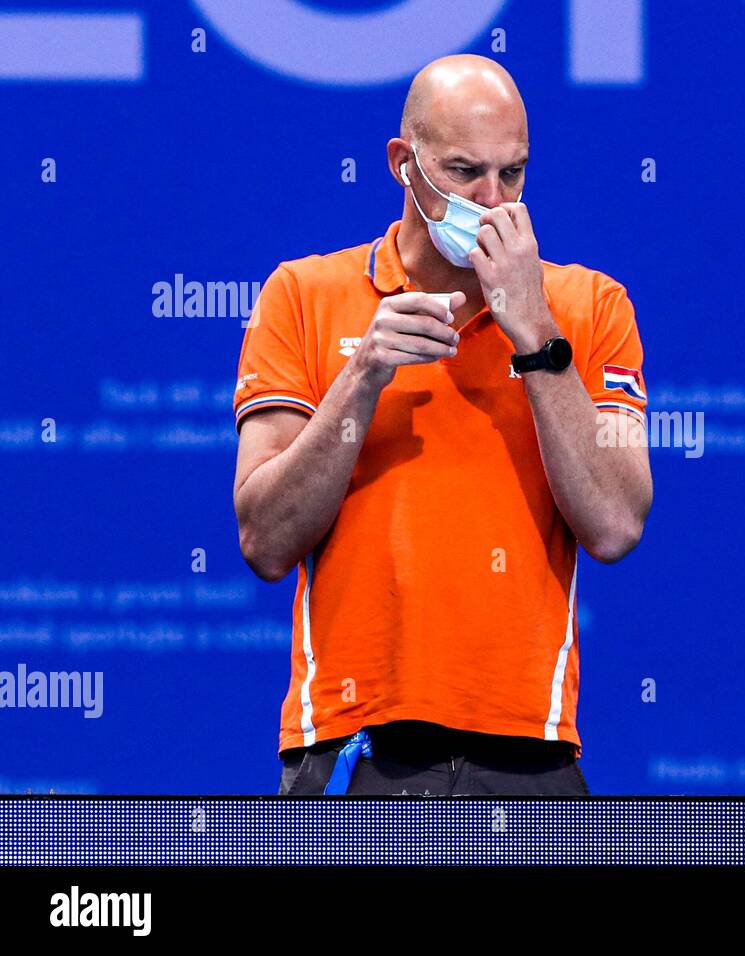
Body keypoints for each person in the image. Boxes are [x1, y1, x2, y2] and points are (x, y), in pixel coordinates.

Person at [231, 54, 652, 796]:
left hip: (530, 753)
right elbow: (264, 540)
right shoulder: (301, 295)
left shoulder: (588, 309)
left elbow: (616, 524)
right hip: (353, 747)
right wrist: (361, 378)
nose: (492, 202)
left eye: (513, 175)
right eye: (464, 172)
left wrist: (537, 339)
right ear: (404, 163)